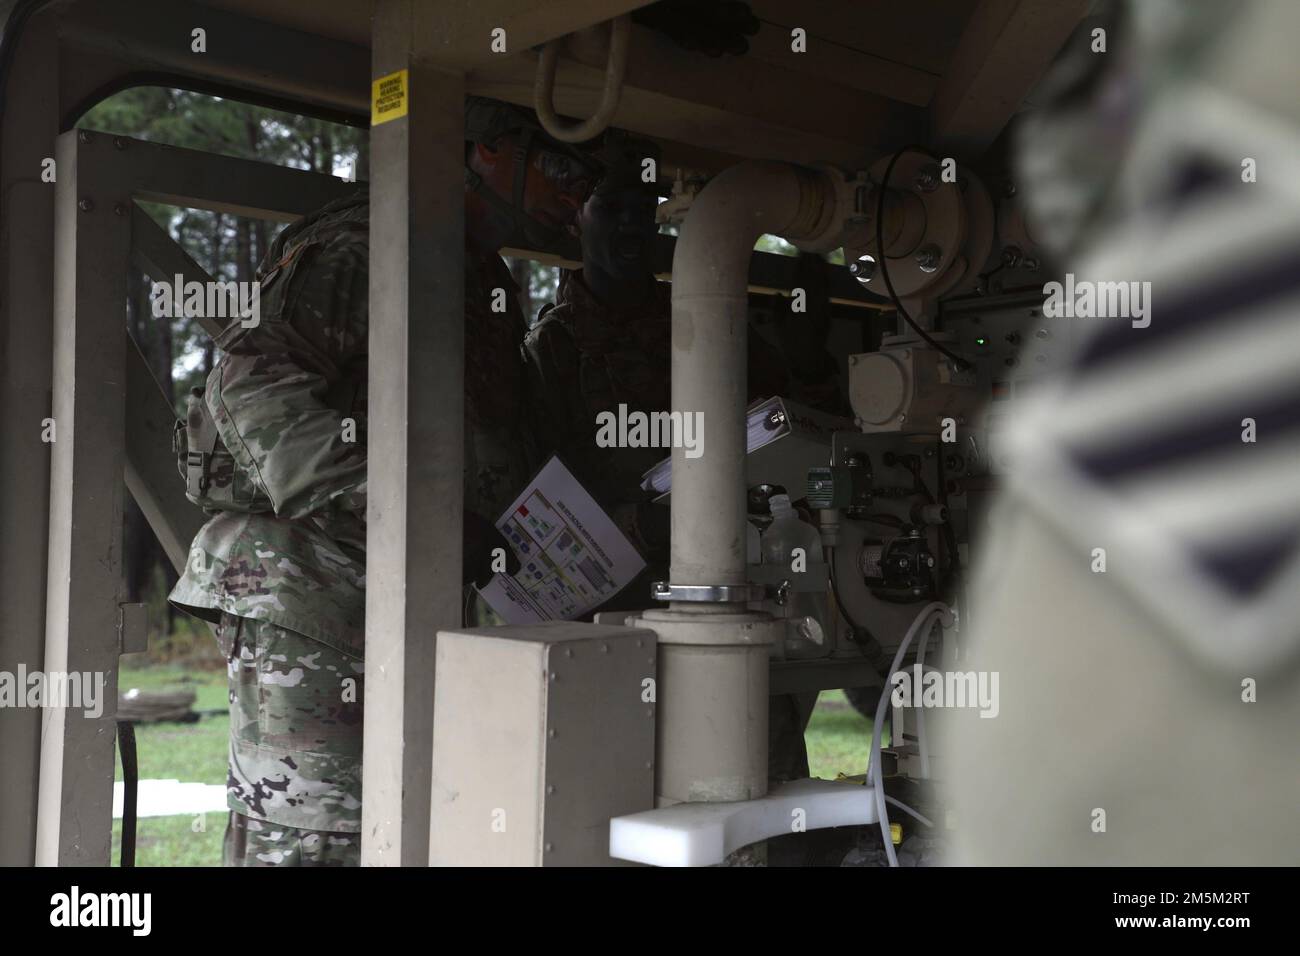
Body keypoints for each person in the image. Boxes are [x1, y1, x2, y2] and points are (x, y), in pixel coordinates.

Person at [168, 96, 600, 866]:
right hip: (313, 595)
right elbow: (253, 380)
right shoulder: (372, 245)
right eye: (564, 164)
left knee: (416, 830)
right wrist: (417, 518)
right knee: (320, 841)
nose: (579, 192)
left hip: (413, 600)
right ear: (486, 152)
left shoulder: (476, 274)